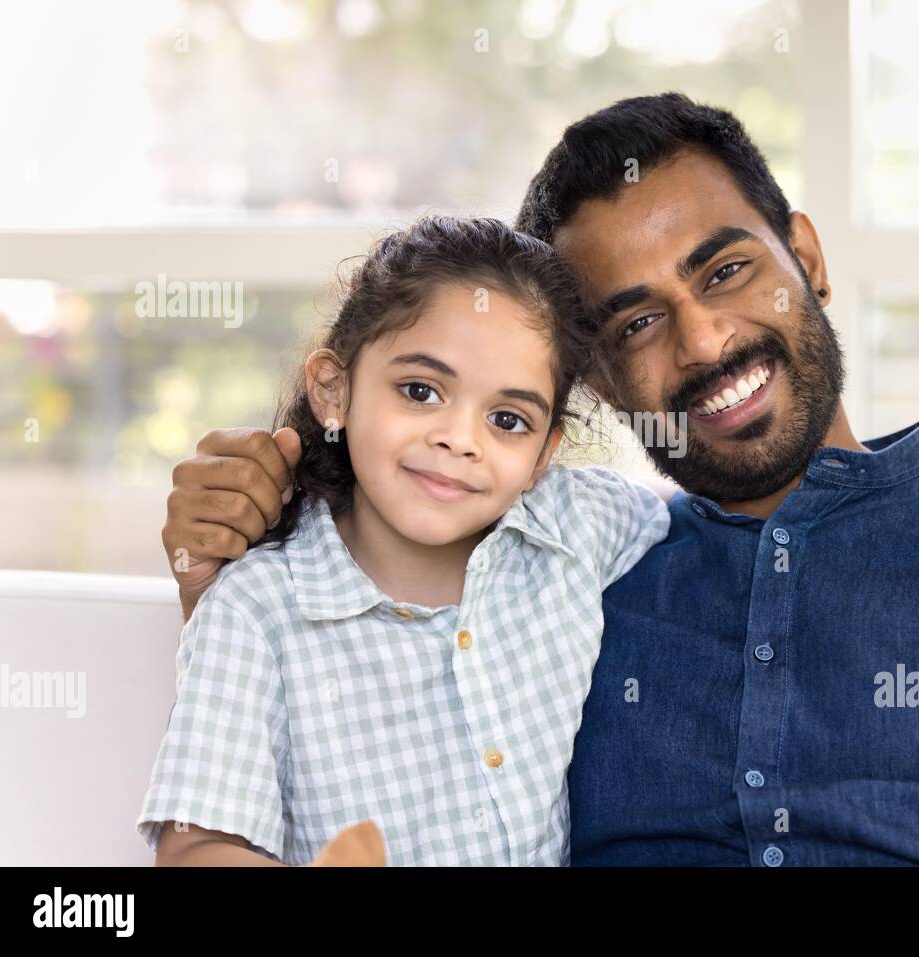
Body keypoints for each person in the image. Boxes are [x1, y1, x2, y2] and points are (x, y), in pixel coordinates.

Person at [162, 93, 919, 866]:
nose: (702, 343)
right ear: (590, 382)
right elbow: (379, 604)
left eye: (729, 269)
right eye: (636, 320)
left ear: (810, 255)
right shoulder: (574, 571)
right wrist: (240, 531)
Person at [138, 216, 669, 866]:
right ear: (334, 391)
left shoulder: (576, 525)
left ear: (541, 455)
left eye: (507, 419)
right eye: (421, 391)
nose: (459, 438)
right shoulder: (256, 609)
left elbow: (728, 520)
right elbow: (198, 846)